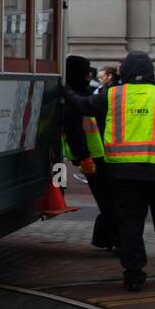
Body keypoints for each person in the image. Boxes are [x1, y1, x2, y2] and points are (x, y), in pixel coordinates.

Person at [60, 50, 155, 292]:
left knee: (130, 225)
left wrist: (61, 86)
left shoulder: (112, 95)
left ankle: (134, 275)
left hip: (124, 176)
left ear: (124, 72)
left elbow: (80, 105)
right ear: (151, 72)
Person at [62, 54, 119, 253]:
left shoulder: (86, 92)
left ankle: (104, 238)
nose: (89, 75)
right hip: (92, 157)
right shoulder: (72, 97)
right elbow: (74, 131)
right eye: (85, 71)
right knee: (109, 201)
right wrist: (83, 156)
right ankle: (115, 239)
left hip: (102, 154)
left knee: (109, 199)